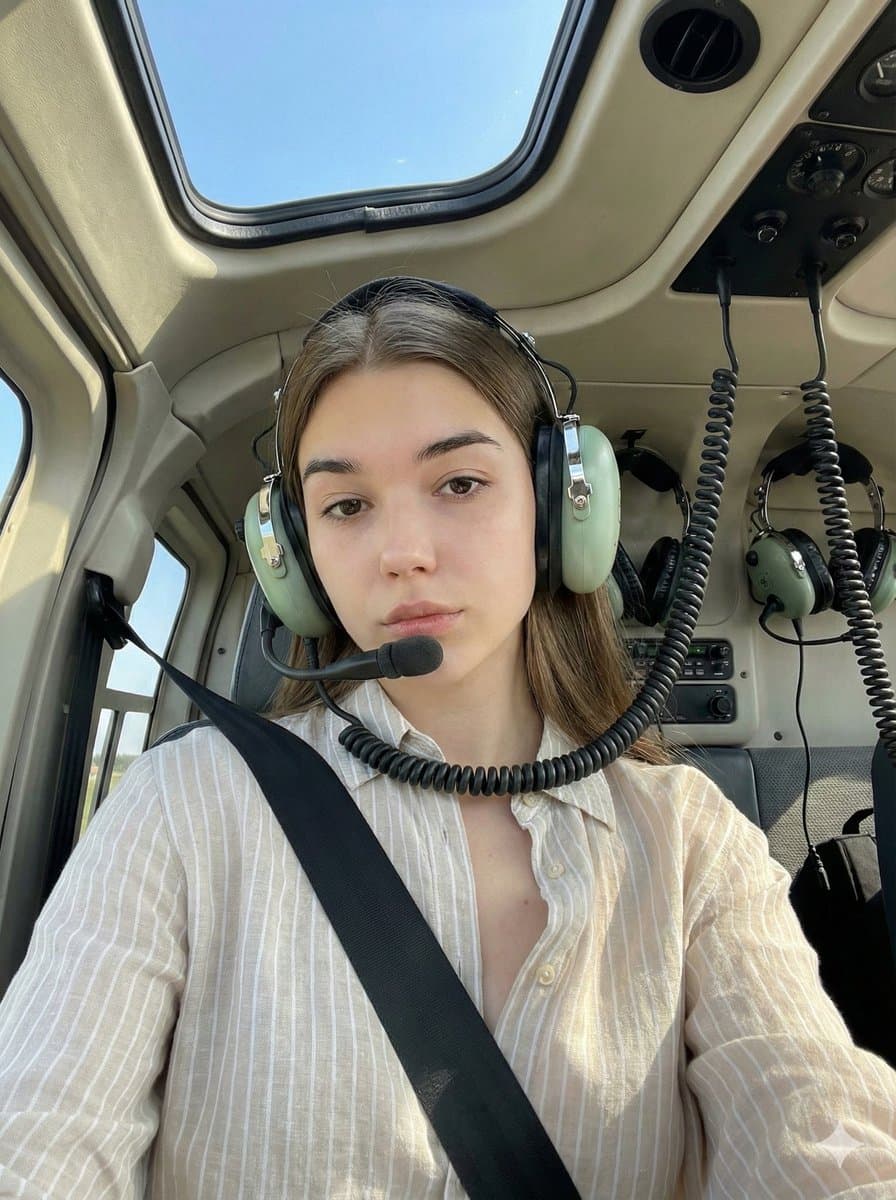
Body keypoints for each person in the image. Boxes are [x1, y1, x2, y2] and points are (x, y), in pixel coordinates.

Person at [0, 277, 895, 1199]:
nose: (402, 551)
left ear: (559, 513)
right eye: (346, 506)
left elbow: (815, 1122)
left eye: (460, 482)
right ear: (296, 555)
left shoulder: (690, 840)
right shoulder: (180, 809)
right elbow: (39, 1132)